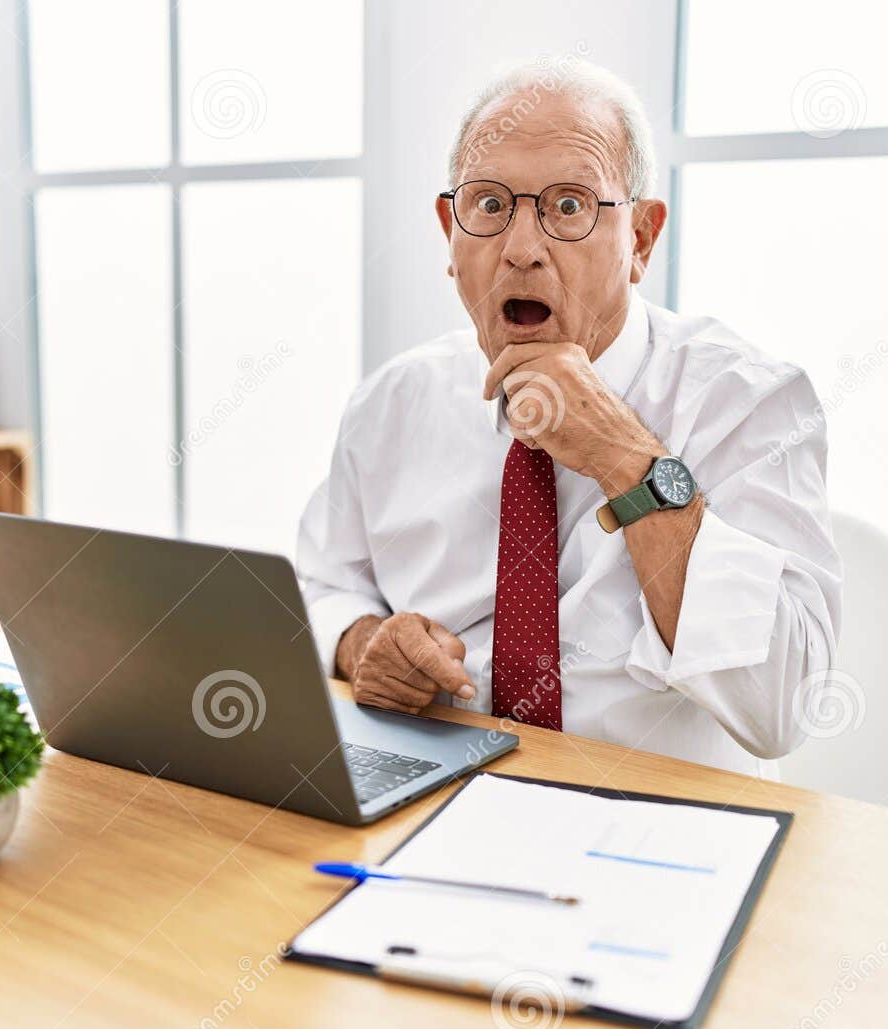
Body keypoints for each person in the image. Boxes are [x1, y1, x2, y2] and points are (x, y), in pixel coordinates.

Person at [297, 60, 841, 778]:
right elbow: (323, 584)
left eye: (569, 205)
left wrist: (624, 456)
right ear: (449, 233)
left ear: (640, 239)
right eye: (489, 205)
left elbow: (783, 705)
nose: (522, 250)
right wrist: (363, 641)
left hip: (655, 815)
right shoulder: (390, 402)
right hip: (432, 792)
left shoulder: (749, 401)